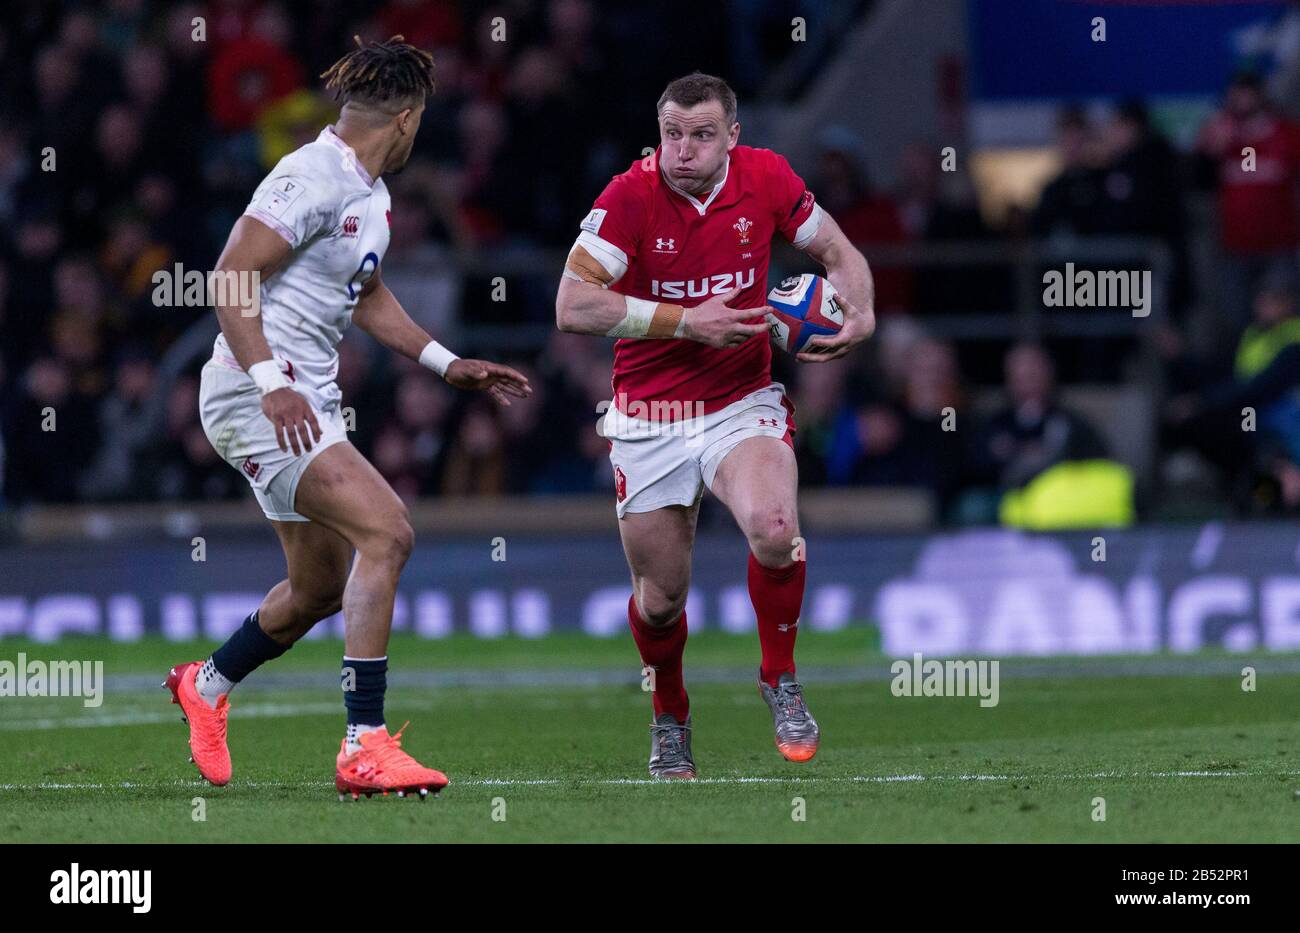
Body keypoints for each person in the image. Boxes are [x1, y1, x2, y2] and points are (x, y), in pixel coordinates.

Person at [165, 37, 530, 799]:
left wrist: (444, 362)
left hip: (305, 399)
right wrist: (270, 382)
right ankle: (363, 744)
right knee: (388, 530)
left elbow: (362, 295)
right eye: (421, 121)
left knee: (318, 590)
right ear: (406, 118)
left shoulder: (370, 195)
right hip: (258, 393)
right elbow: (231, 275)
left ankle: (206, 682)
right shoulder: (310, 176)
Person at [554, 73, 875, 779]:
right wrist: (685, 321)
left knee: (773, 525)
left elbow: (838, 253)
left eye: (701, 135)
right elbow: (572, 305)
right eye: (673, 133)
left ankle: (779, 678)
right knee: (661, 601)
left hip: (742, 400)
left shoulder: (767, 177)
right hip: (650, 416)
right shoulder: (628, 196)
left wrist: (863, 311)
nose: (683, 150)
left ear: (732, 135)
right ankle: (670, 715)